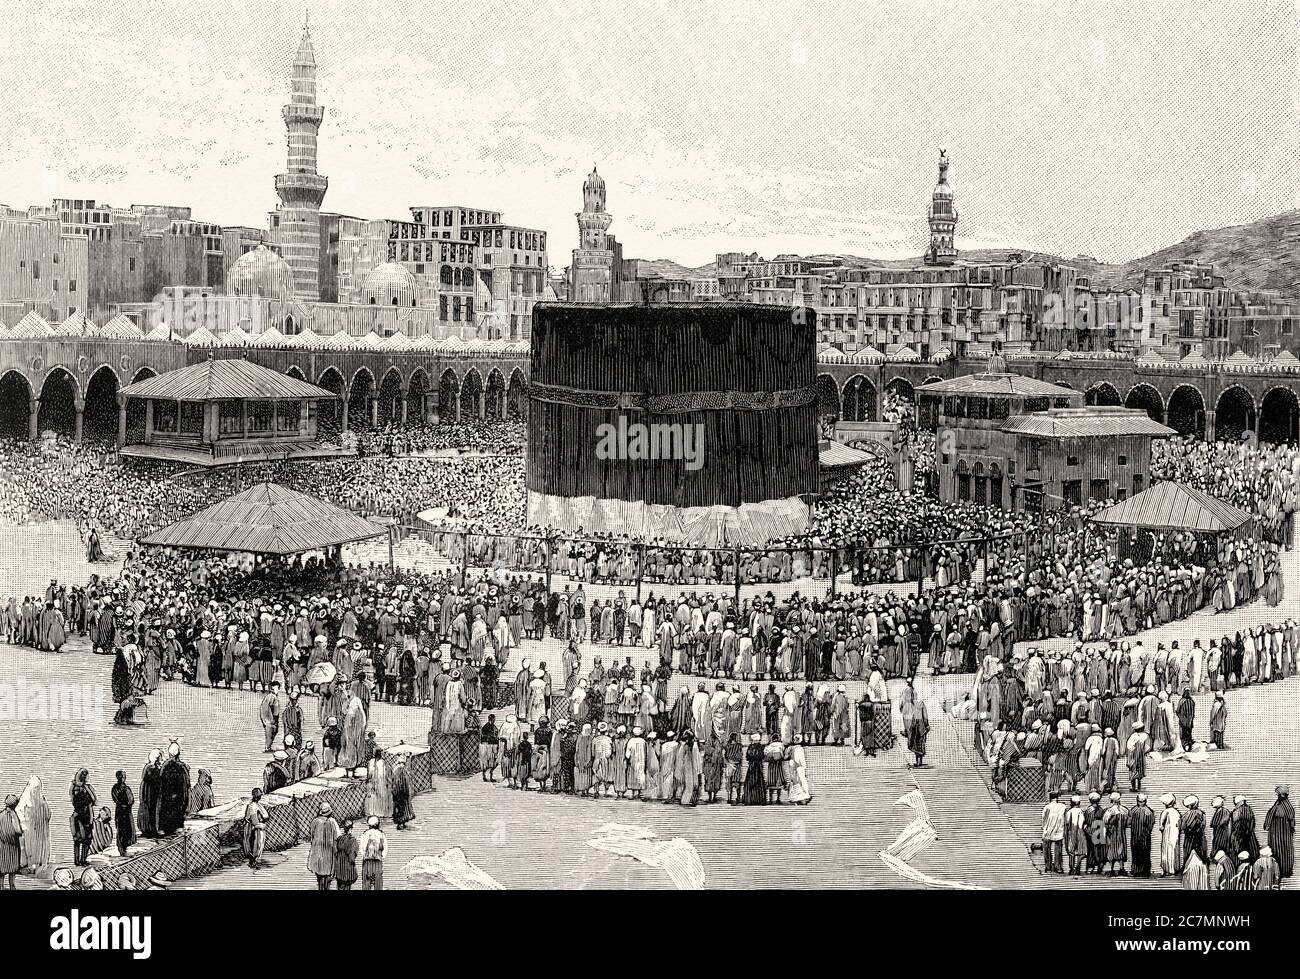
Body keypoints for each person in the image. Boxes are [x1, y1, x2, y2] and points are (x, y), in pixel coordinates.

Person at [16, 776, 51, 876]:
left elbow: (47, 812)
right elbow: (19, 810)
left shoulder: (41, 798)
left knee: (40, 846)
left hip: (41, 828)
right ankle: (32, 866)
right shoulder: (26, 797)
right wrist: (24, 823)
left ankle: (40, 863)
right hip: (30, 827)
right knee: (31, 846)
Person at [157, 741, 190, 835]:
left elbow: (161, 781)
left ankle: (163, 829)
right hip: (178, 796)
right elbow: (186, 783)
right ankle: (177, 828)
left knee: (166, 810)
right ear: (178, 753)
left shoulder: (165, 765)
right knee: (177, 812)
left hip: (166, 795)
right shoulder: (182, 766)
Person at [307, 802, 340, 890]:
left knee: (319, 875)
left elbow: (312, 836)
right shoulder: (332, 821)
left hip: (318, 851)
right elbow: (338, 837)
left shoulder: (315, 821)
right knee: (328, 876)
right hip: (329, 852)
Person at [1264, 785, 1294, 879]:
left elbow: (1291, 820)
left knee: (1284, 852)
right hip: (1276, 834)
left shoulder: (1287, 805)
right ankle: (1277, 870)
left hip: (1283, 834)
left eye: (1278, 794)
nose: (1277, 795)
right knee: (1276, 850)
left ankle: (1284, 870)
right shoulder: (1278, 804)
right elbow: (1270, 814)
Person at [70, 769, 96, 867]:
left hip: (78, 815)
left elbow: (73, 800)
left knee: (78, 839)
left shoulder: (73, 787)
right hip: (85, 815)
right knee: (85, 839)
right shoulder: (86, 788)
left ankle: (78, 860)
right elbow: (94, 800)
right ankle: (82, 860)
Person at [111, 771, 136, 857]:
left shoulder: (115, 788)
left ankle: (122, 850)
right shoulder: (125, 788)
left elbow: (116, 799)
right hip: (125, 812)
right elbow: (131, 800)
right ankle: (123, 850)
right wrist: (126, 805)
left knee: (122, 830)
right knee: (124, 830)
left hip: (120, 811)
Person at [243, 788, 269, 869]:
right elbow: (254, 821)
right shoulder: (252, 806)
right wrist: (261, 825)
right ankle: (253, 861)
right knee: (255, 845)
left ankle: (254, 861)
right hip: (255, 829)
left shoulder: (257, 805)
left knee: (258, 845)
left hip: (258, 828)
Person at [1041, 792, 1066, 873]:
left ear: (1050, 798)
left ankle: (1048, 867)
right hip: (1059, 831)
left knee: (1047, 849)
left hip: (1048, 831)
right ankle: (1058, 867)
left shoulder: (1047, 807)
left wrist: (1044, 828)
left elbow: (1043, 819)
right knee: (1058, 850)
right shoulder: (1062, 806)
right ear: (1057, 798)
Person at [0, 795, 20, 890]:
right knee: (11, 870)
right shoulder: (14, 815)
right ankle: (12, 886)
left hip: (3, 846)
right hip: (12, 846)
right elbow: (18, 831)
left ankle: (1, 886)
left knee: (2, 869)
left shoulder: (0, 815)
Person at [360, 815, 386, 890]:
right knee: (378, 884)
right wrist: (381, 856)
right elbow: (385, 849)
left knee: (366, 884)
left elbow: (362, 848)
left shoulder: (365, 834)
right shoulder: (381, 834)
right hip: (377, 862)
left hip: (367, 862)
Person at [334, 820, 359, 890]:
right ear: (351, 829)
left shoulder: (339, 839)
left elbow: (335, 852)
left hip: (339, 869)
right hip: (348, 870)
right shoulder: (352, 840)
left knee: (339, 886)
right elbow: (352, 857)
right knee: (347, 887)